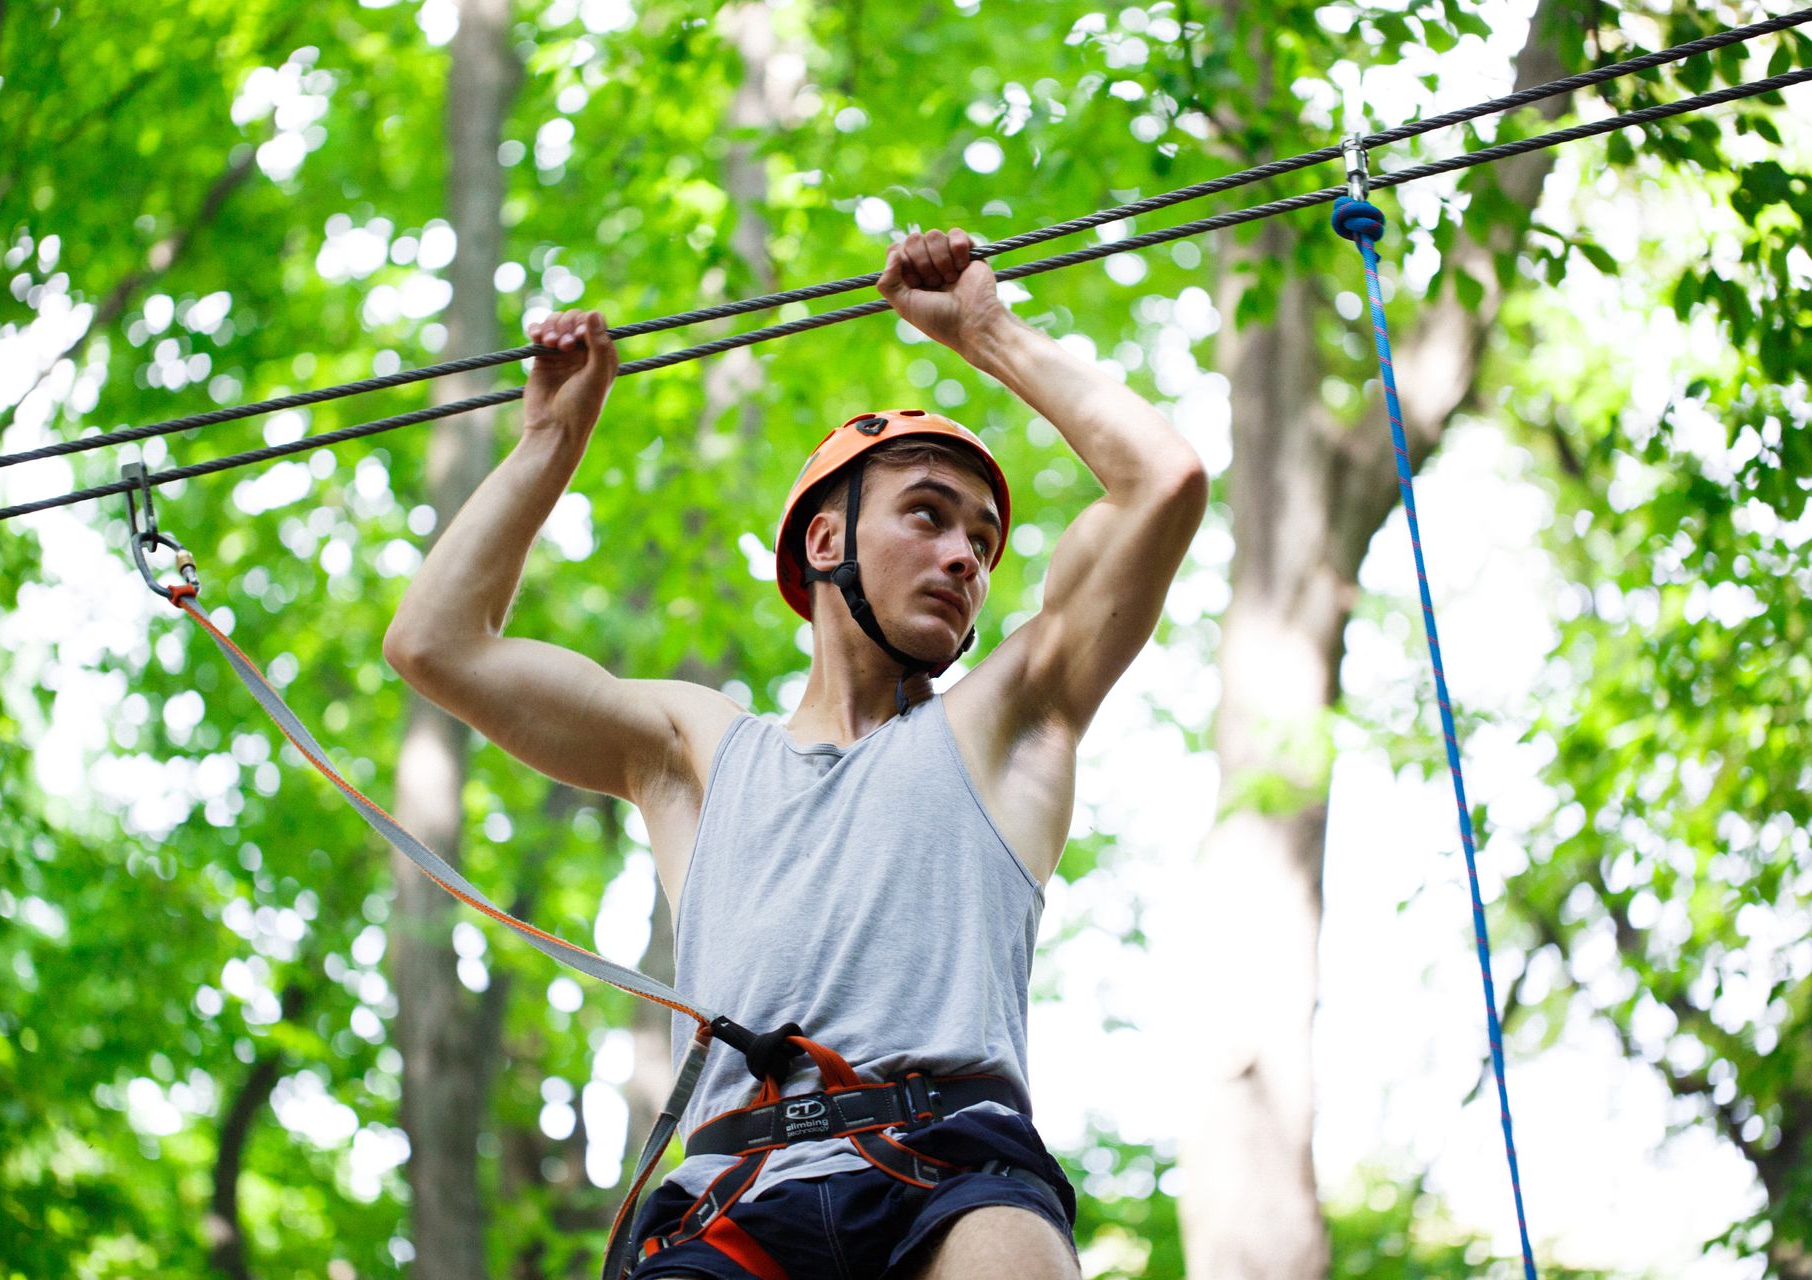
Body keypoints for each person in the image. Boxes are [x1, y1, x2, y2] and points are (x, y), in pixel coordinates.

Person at [383, 227, 1208, 1279]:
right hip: (731, 1204)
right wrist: (551, 440)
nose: (966, 554)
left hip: (951, 1173)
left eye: (986, 542)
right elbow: (437, 643)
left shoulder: (1009, 720)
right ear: (825, 542)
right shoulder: (697, 750)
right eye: (929, 512)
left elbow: (1164, 481)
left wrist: (986, 329)